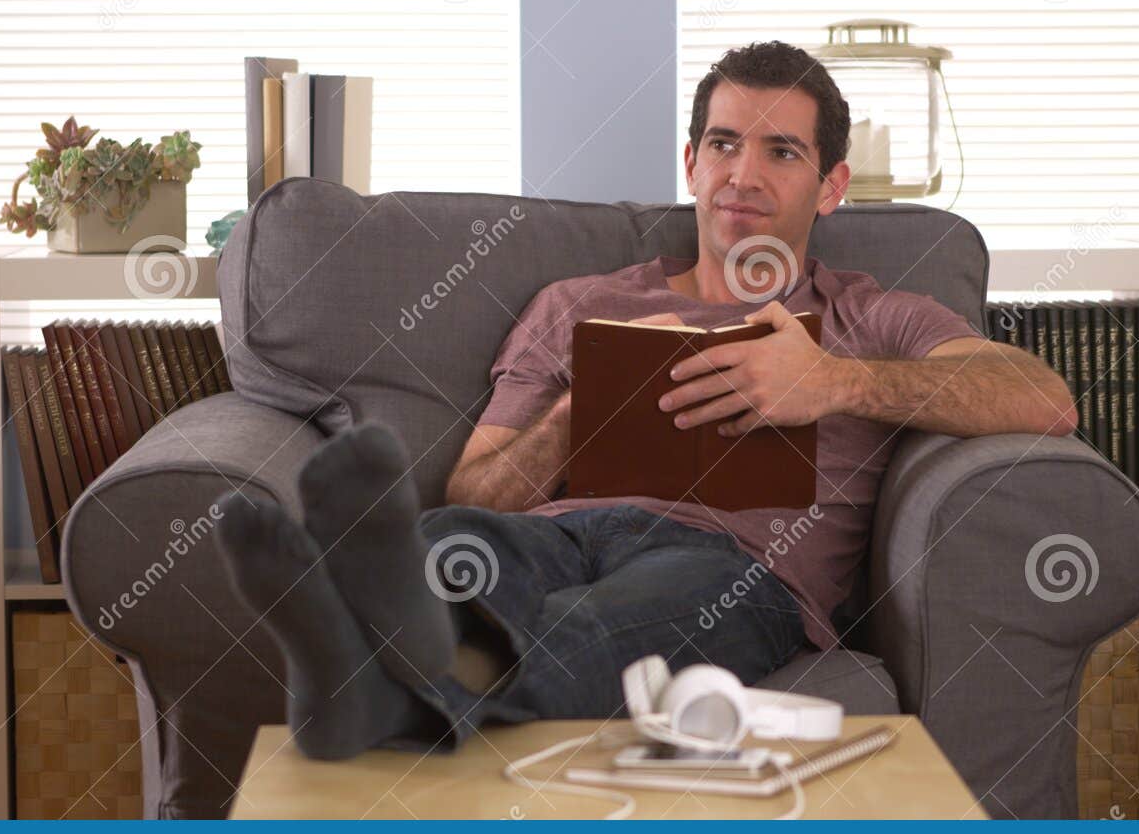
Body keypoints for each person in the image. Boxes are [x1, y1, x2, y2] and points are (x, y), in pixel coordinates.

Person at [213, 41, 1077, 760]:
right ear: (692, 163)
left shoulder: (871, 316)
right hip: (550, 534)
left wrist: (833, 382)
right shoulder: (577, 303)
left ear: (832, 184)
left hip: (731, 569)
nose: (744, 173)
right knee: (446, 542)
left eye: (782, 153)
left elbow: (1043, 400)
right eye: (725, 144)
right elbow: (475, 492)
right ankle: (382, 655)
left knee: (590, 633)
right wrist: (581, 406)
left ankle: (384, 687)